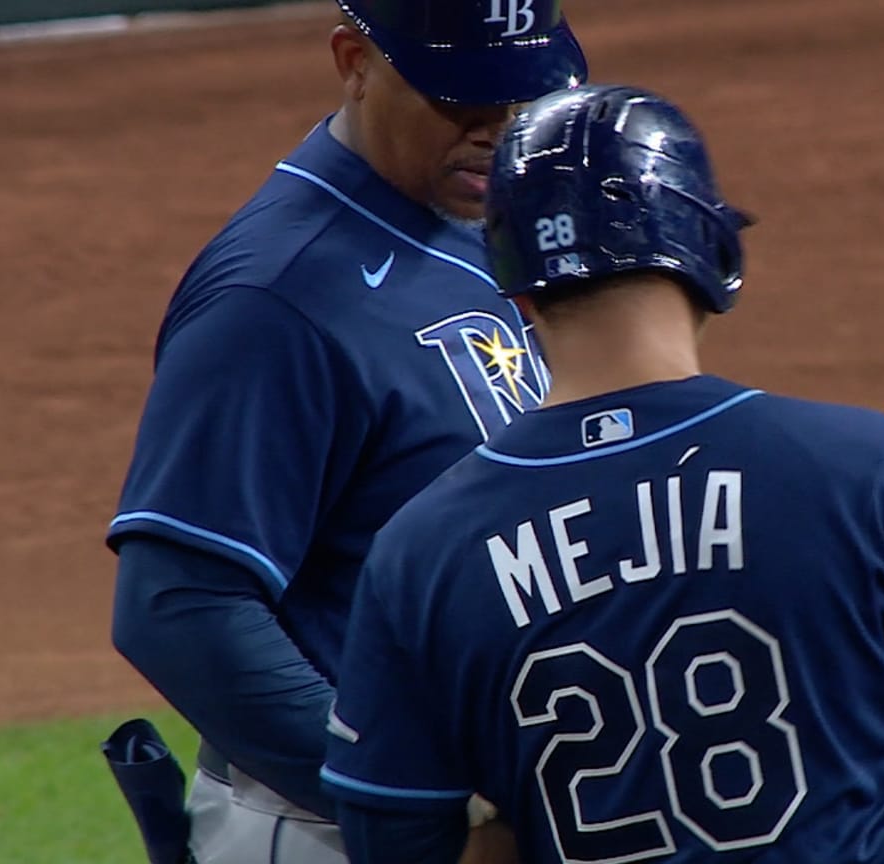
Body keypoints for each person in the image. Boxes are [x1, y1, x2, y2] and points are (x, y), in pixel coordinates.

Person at [321, 84, 884, 864]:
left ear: (515, 292)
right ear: (713, 252)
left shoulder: (420, 552)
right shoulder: (865, 467)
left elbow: (393, 842)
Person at [105, 2, 586, 862]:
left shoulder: (471, 214)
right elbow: (177, 606)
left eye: (521, 98)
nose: (499, 130)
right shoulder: (276, 301)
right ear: (355, 61)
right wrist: (409, 801)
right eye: (462, 99)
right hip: (335, 837)